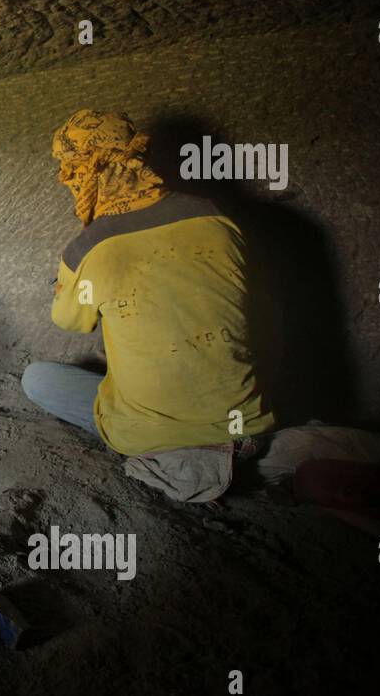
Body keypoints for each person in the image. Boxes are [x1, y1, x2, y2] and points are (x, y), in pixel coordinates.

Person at [22, 109, 275, 459]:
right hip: (246, 427)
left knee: (38, 378)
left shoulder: (89, 248)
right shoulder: (216, 216)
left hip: (153, 440)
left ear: (81, 171)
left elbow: (68, 321)